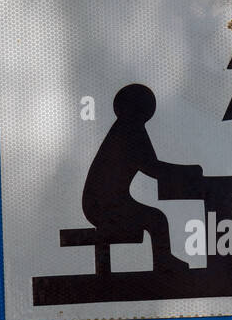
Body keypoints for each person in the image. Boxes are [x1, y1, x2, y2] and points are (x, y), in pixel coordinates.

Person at [81, 84, 200, 272]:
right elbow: (152, 168)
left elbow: (152, 166)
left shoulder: (126, 129)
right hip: (103, 205)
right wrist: (188, 173)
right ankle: (163, 261)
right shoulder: (130, 131)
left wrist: (186, 173)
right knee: (156, 219)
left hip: (105, 201)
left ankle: (164, 260)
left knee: (155, 218)